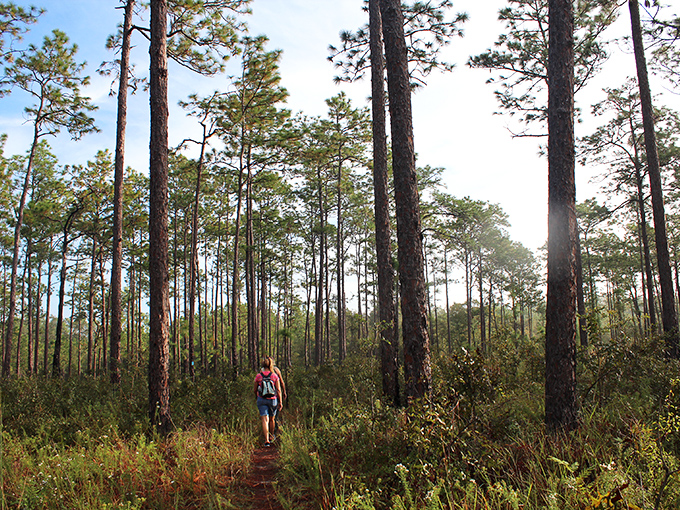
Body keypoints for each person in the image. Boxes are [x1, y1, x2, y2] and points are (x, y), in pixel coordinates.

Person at [254, 357, 282, 447]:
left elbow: (255, 389)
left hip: (261, 399)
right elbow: (278, 390)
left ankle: (266, 441)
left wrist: (257, 397)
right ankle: (271, 436)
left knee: (264, 420)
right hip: (273, 400)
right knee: (272, 419)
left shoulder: (258, 376)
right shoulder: (274, 376)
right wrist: (280, 402)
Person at [268, 356, 287, 434]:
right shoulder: (276, 370)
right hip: (275, 397)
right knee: (274, 416)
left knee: (266, 416)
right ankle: (273, 433)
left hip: (264, 397)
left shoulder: (262, 371)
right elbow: (281, 383)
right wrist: (284, 392)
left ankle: (267, 433)